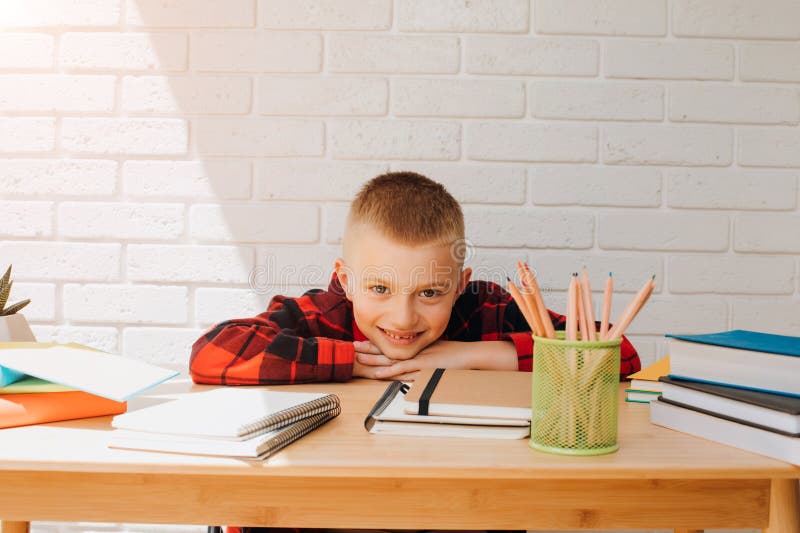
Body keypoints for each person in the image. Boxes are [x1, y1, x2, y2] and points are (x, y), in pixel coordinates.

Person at [189, 171, 641, 533]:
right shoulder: (324, 315)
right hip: (330, 509)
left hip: (458, 505)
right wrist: (348, 360)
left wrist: (469, 356)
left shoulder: (488, 309)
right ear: (346, 281)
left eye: (429, 293)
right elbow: (210, 352)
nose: (403, 319)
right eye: (380, 289)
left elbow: (618, 355)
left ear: (459, 285)